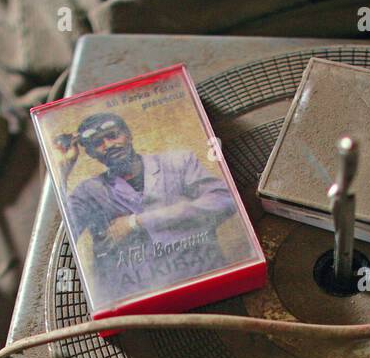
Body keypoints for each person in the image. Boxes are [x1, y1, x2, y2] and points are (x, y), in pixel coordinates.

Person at [54, 112, 238, 304]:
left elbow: (224, 200)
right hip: (137, 301)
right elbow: (62, 241)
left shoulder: (177, 163)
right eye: (98, 142)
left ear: (128, 134)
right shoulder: (89, 191)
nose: (108, 145)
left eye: (113, 135)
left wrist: (137, 222)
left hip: (205, 280)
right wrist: (61, 171)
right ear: (91, 153)